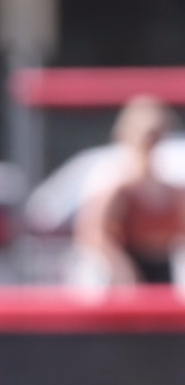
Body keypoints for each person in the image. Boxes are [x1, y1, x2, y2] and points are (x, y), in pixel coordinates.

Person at [75, 95, 185, 286]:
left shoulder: (172, 189)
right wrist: (121, 268)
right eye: (148, 137)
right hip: (128, 272)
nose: (151, 144)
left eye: (156, 136)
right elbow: (94, 233)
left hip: (162, 268)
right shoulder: (115, 184)